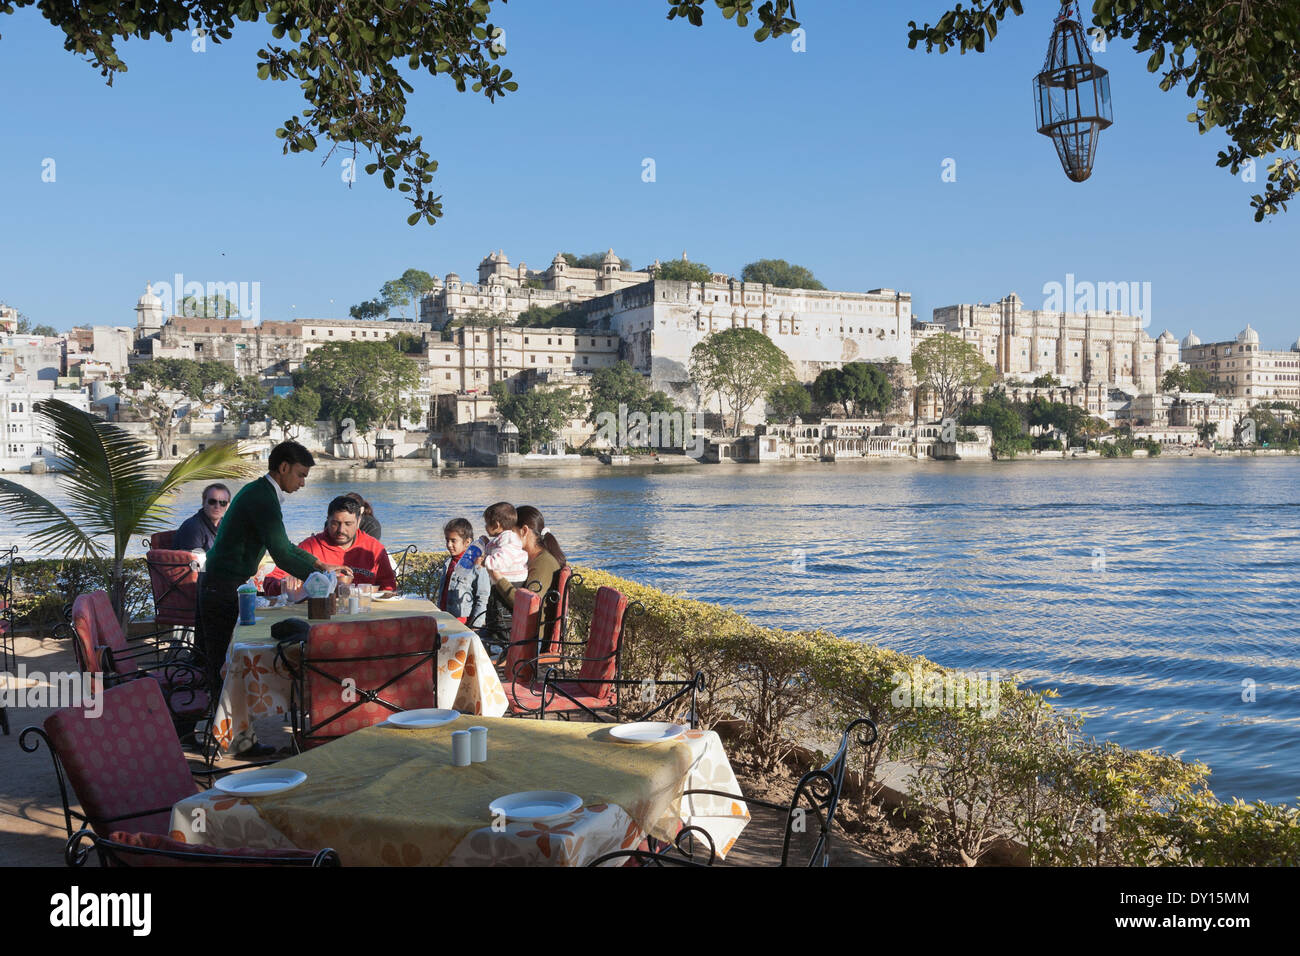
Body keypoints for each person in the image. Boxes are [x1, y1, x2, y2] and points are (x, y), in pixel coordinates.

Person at [198, 442, 352, 705]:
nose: (303, 483)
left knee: (224, 663)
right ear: (283, 467)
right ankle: (226, 739)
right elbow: (281, 554)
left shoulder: (259, 492)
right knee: (223, 666)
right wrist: (322, 580)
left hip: (221, 584)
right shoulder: (262, 498)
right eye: (301, 474)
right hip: (221, 586)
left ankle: (237, 738)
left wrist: (320, 566)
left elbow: (285, 546)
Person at [263, 495, 397, 596]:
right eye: (335, 523)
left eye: (348, 524)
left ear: (359, 521)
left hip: (364, 616)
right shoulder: (310, 546)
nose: (341, 530)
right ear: (327, 519)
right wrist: (285, 584)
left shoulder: (374, 548)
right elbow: (270, 582)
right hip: (319, 615)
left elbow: (389, 587)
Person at [482, 505, 566, 651]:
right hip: (517, 632)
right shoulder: (525, 558)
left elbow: (526, 605)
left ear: (524, 531)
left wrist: (497, 577)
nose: (507, 540)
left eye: (511, 533)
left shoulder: (543, 562)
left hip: (529, 641)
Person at [477, 501, 528, 648]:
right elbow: (495, 551)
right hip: (502, 583)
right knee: (494, 613)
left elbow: (501, 559)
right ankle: (494, 638)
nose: (485, 527)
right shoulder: (502, 539)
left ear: (497, 525)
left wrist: (486, 561)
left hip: (511, 582)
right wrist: (486, 545)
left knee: (502, 618)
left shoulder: (509, 538)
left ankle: (503, 648)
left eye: (487, 523)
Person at [435, 518, 490, 627]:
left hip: (463, 623)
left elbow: (482, 598)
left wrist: (475, 626)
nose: (449, 545)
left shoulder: (477, 565)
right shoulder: (448, 563)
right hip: (444, 618)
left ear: (467, 542)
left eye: (453, 540)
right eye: (447, 540)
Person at [173, 483, 230, 551]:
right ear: (203, 502)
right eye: (212, 501)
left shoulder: (226, 525)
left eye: (223, 503)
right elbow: (194, 560)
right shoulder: (193, 527)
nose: (217, 506)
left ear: (228, 506)